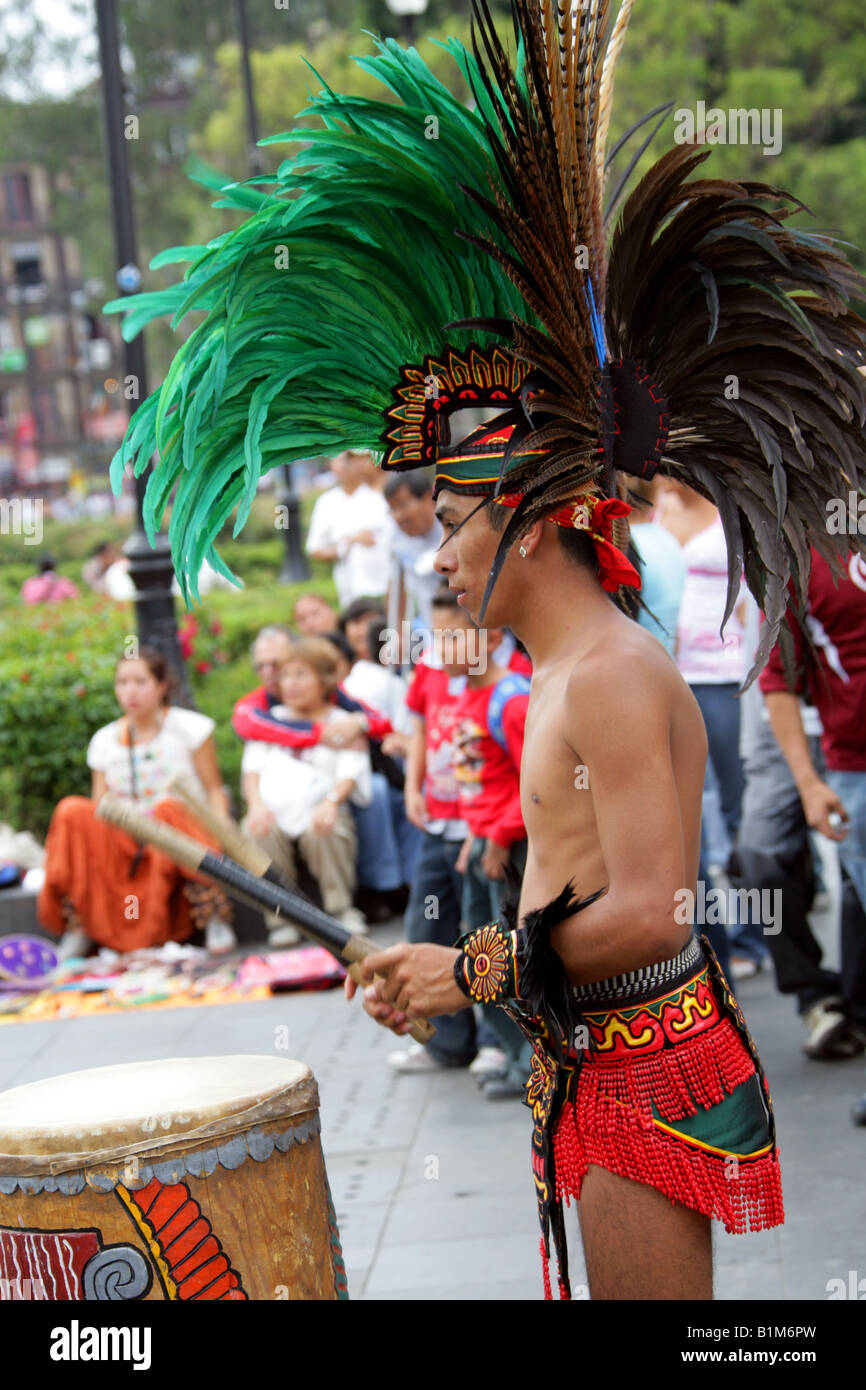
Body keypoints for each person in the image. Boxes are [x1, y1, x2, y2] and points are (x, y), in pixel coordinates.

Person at [106, 0, 866, 1299]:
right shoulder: (578, 669)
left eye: (453, 521)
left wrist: (461, 968)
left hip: (640, 1057)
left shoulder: (616, 673)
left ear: (524, 522)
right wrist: (458, 979)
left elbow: (652, 907)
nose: (438, 555)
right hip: (597, 1045)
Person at [393, 587, 534, 1101]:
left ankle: (532, 1062)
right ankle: (511, 1052)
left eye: (453, 638)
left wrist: (496, 835)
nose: (440, 651)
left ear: (491, 638)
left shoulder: (513, 699)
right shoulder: (468, 696)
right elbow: (483, 782)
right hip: (478, 845)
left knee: (505, 952)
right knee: (477, 949)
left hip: (506, 851)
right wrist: (475, 835)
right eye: (436, 639)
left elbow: (536, 784)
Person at [38, 647, 236, 956]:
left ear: (161, 686)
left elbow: (214, 790)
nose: (130, 691)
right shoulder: (104, 740)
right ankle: (81, 927)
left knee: (167, 808)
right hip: (126, 840)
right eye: (122, 682)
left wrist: (223, 832)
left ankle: (214, 917)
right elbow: (99, 806)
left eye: (140, 681)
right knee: (71, 811)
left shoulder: (191, 729)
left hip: (177, 835)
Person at [758, 549, 866, 1115]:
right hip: (854, 769)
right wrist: (808, 783)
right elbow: (778, 676)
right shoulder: (798, 552)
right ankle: (824, 1004)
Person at [241, 639, 371, 934]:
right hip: (274, 809)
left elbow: (351, 770)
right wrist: (255, 805)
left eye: (300, 674)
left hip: (323, 805)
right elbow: (252, 771)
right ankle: (281, 919)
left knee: (326, 827)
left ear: (323, 678)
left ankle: (341, 909)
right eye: (285, 675)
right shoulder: (270, 722)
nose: (290, 683)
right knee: (257, 829)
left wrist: (331, 801)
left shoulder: (342, 722)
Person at [305, 450, 390, 606]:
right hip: (351, 592)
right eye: (338, 460)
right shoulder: (326, 502)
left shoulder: (379, 494)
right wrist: (348, 543)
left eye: (349, 459)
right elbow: (314, 549)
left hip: (387, 587)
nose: (344, 465)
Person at [383, 471, 443, 633]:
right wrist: (397, 634)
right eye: (392, 509)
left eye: (403, 505)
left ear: (428, 498)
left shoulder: (450, 526)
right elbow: (396, 589)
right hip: (431, 629)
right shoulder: (397, 539)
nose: (398, 516)